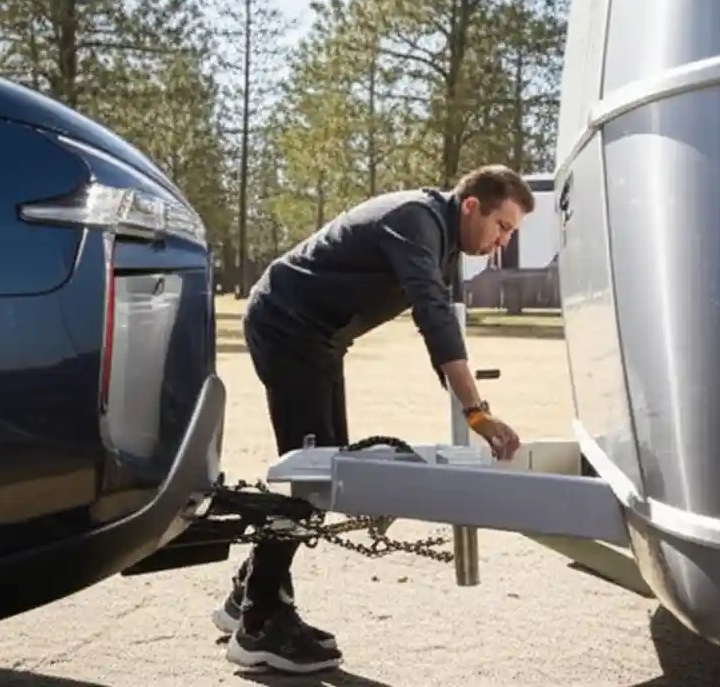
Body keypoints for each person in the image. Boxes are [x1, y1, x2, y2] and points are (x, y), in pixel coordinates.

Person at [214, 164, 534, 673]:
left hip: (316, 338)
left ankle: (250, 594)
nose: (504, 242)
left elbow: (442, 329)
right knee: (314, 473)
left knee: (325, 468)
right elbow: (431, 315)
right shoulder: (417, 221)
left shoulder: (442, 240)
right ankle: (258, 626)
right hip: (286, 325)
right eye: (503, 227)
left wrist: (469, 407)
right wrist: (477, 412)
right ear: (472, 205)